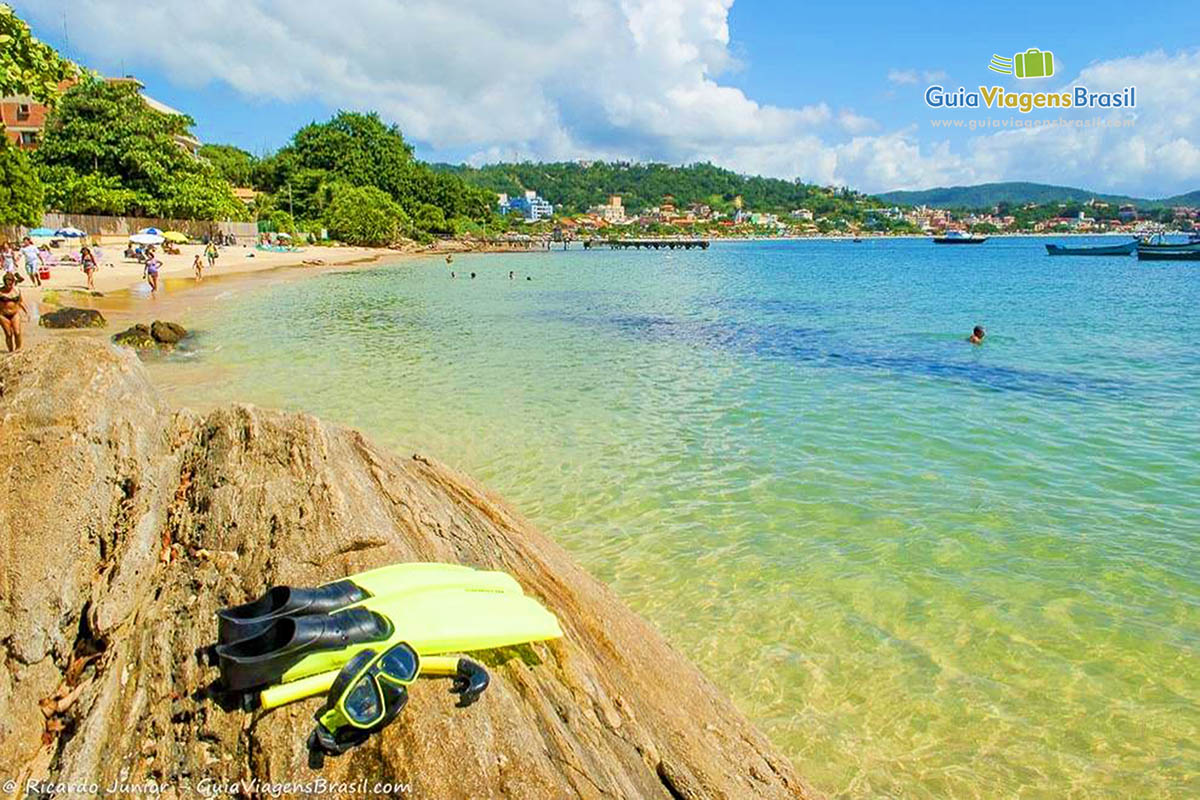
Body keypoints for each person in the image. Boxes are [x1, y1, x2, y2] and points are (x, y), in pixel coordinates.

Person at [0, 271, 30, 352]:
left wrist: (27, 312)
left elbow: (21, 302)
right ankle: (10, 351)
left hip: (15, 314)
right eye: (6, 284)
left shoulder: (16, 290)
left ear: (13, 282)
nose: (8, 286)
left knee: (17, 332)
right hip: (3, 315)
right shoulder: (0, 292)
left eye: (10, 284)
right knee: (8, 334)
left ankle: (18, 350)